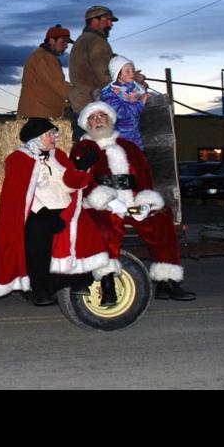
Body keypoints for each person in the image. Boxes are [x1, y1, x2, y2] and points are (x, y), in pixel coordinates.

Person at [72, 101, 195, 302]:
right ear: (86, 124)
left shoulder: (129, 146)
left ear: (111, 119)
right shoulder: (82, 148)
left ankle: (166, 281)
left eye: (102, 116)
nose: (98, 120)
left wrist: (145, 202)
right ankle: (107, 282)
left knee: (161, 219)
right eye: (93, 118)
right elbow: (81, 180)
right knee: (103, 229)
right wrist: (108, 202)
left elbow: (144, 176)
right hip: (101, 205)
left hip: (132, 201)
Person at [0, 117, 107, 307]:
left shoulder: (58, 155)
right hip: (37, 209)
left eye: (54, 133)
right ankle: (39, 288)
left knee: (83, 227)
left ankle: (78, 278)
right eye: (49, 134)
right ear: (36, 138)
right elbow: (19, 194)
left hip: (64, 205)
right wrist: (44, 213)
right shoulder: (17, 159)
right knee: (38, 234)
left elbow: (69, 185)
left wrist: (80, 167)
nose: (54, 137)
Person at [68, 5, 118, 119]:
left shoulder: (82, 39)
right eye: (107, 20)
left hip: (81, 103)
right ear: (95, 21)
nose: (111, 24)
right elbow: (106, 77)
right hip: (93, 105)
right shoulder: (97, 41)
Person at [17, 25, 73, 120]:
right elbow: (58, 84)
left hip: (37, 113)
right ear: (51, 40)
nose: (66, 45)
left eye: (67, 43)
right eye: (63, 41)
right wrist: (81, 97)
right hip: (39, 115)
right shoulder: (45, 57)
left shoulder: (41, 55)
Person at [98, 54, 151, 143]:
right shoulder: (109, 92)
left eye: (132, 70)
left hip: (135, 136)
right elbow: (120, 114)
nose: (132, 74)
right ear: (118, 74)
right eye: (127, 71)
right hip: (119, 138)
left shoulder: (133, 88)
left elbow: (144, 97)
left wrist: (138, 98)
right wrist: (140, 103)